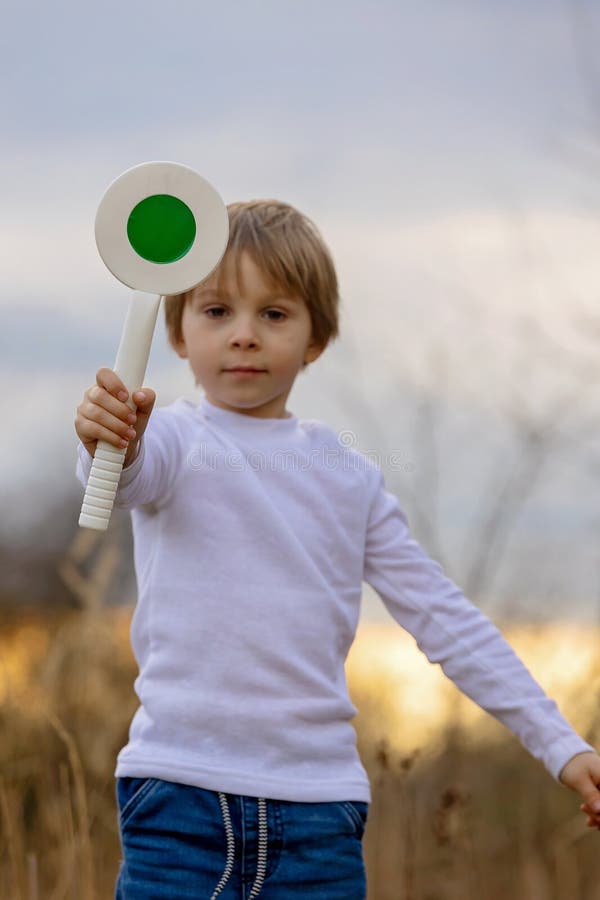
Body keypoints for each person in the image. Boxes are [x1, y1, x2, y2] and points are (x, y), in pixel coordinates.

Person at [75, 199, 600, 900]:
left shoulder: (349, 478)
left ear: (316, 338)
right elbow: (123, 475)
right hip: (178, 801)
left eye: (274, 314)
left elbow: (444, 618)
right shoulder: (173, 441)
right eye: (216, 311)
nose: (244, 337)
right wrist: (108, 441)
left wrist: (560, 743)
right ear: (175, 331)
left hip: (317, 819)